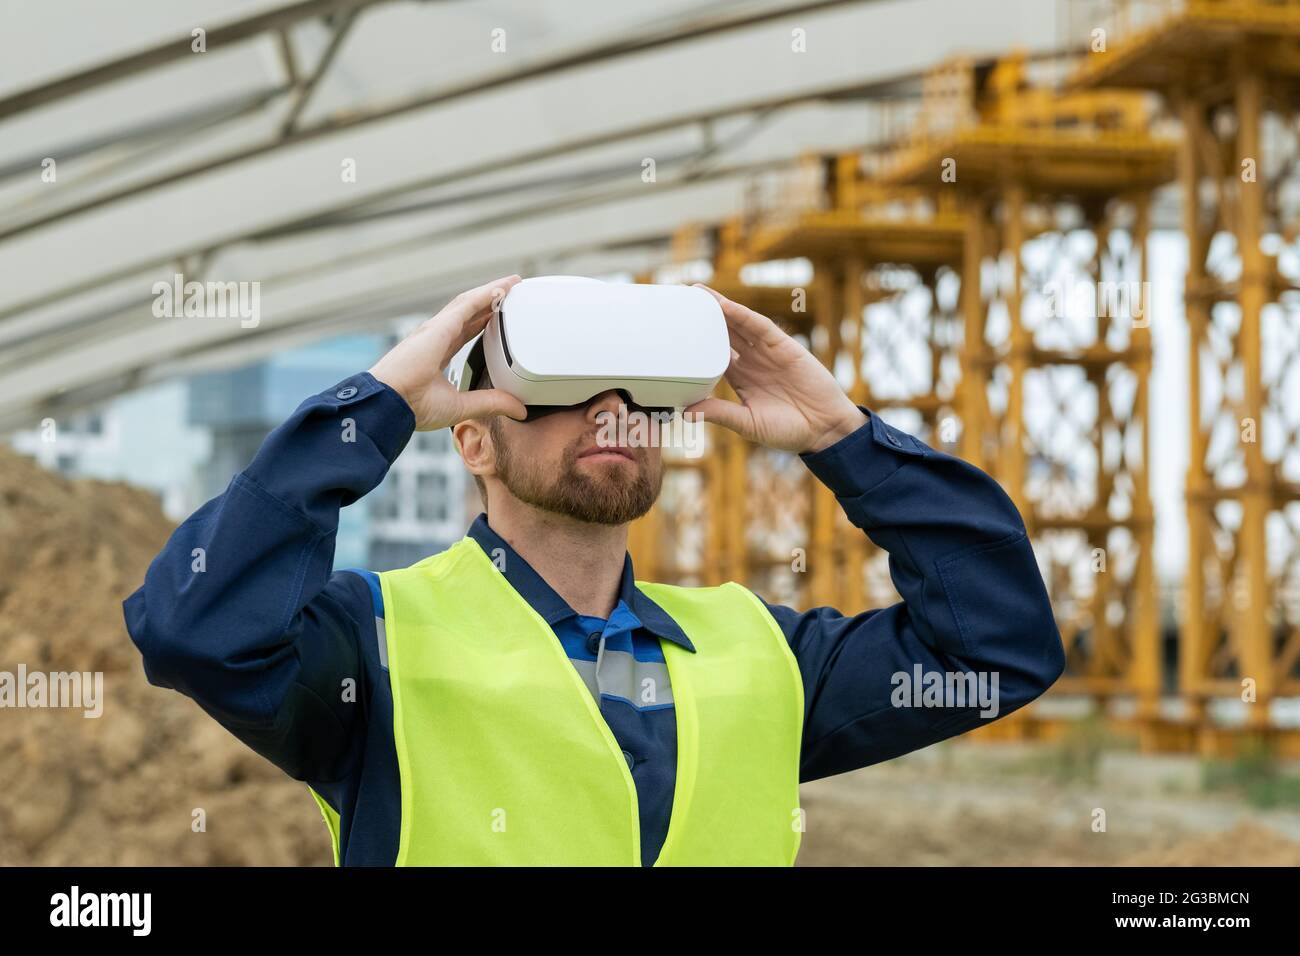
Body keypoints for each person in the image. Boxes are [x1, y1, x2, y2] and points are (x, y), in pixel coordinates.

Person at [123, 273, 1064, 866]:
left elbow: (1000, 647)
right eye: (562, 390)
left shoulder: (760, 653)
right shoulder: (370, 649)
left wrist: (843, 438)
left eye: (637, 393)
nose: (610, 409)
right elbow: (191, 626)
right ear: (474, 444)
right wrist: (377, 407)